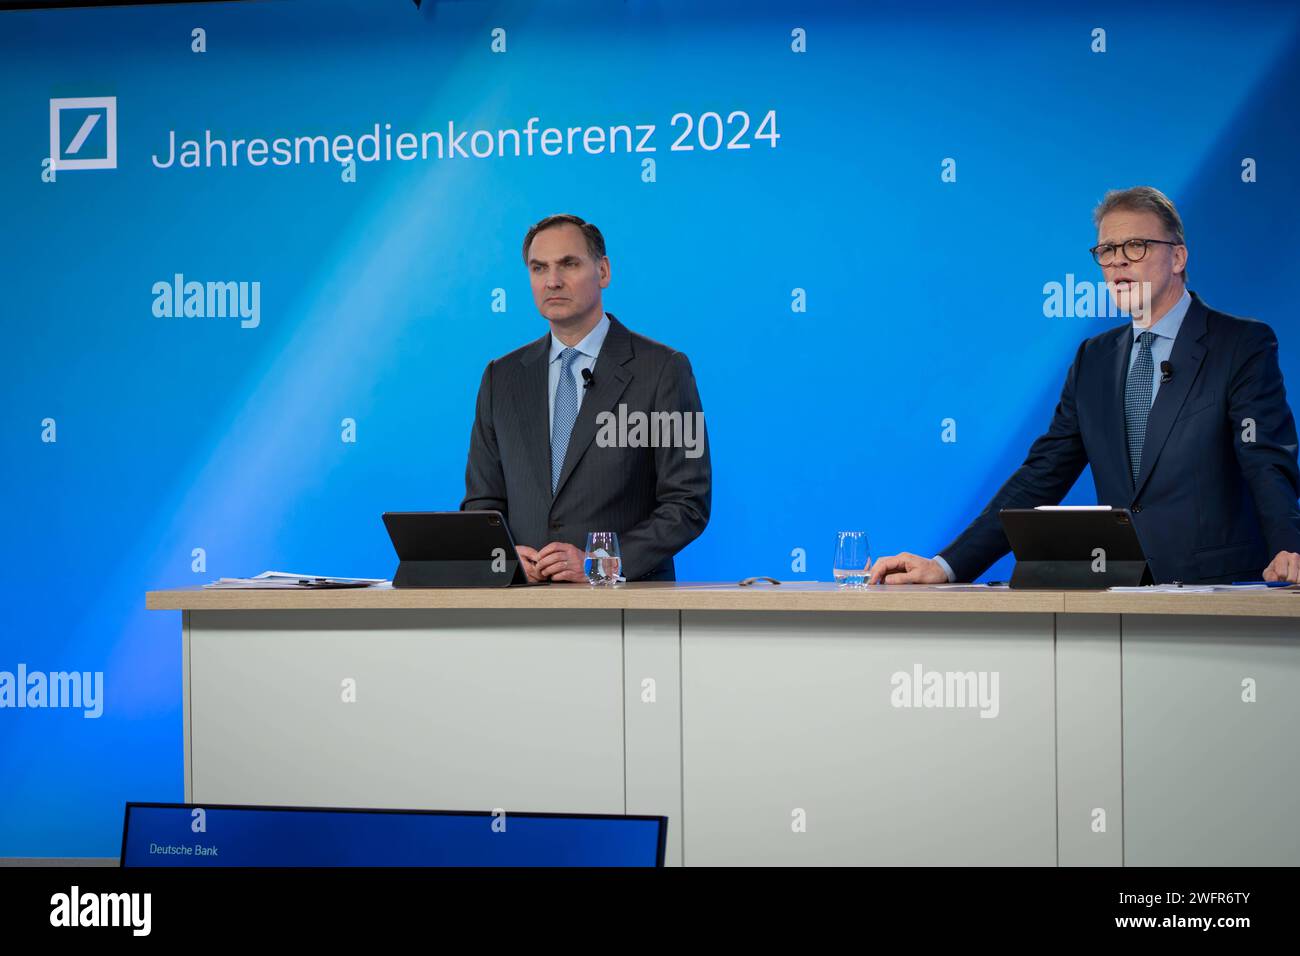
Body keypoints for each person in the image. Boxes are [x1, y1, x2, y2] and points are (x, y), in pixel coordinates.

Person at [870, 186, 1300, 585]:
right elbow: (1041, 475)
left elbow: (1265, 460)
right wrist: (946, 566)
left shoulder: (1240, 344)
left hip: (1218, 592)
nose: (1117, 262)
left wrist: (1289, 548)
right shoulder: (1094, 359)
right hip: (1117, 591)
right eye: (1107, 250)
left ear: (1178, 257)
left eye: (1135, 246)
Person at [461, 214, 711, 582]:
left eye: (569, 264)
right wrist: (504, 556)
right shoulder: (501, 377)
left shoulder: (665, 370)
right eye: (538, 267)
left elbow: (688, 503)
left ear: (603, 271)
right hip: (520, 611)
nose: (552, 281)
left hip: (626, 609)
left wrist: (603, 562)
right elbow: (482, 503)